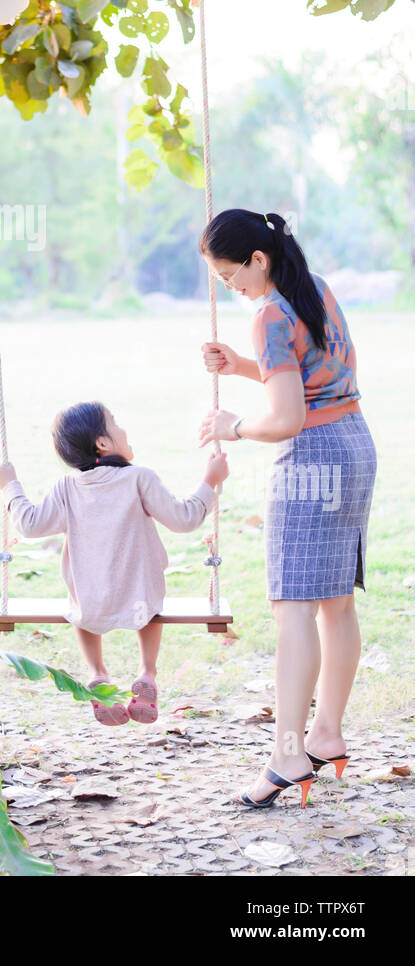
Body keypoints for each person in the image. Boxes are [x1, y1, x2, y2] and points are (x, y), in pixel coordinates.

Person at [198, 208, 377, 810]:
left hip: (312, 458)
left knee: (293, 607)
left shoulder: (269, 314)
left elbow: (288, 417)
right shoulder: (314, 287)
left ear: (258, 260)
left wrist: (234, 426)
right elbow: (315, 374)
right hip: (354, 444)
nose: (231, 288)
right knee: (335, 602)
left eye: (231, 276)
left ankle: (286, 753)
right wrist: (244, 366)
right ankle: (325, 733)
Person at [0, 401, 229, 726]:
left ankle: (98, 673)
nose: (122, 429)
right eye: (115, 423)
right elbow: (184, 519)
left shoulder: (67, 487)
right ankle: (147, 672)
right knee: (149, 602)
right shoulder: (139, 478)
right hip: (141, 598)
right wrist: (210, 481)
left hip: (90, 601)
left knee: (80, 608)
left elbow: (30, 524)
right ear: (102, 443)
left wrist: (10, 486)